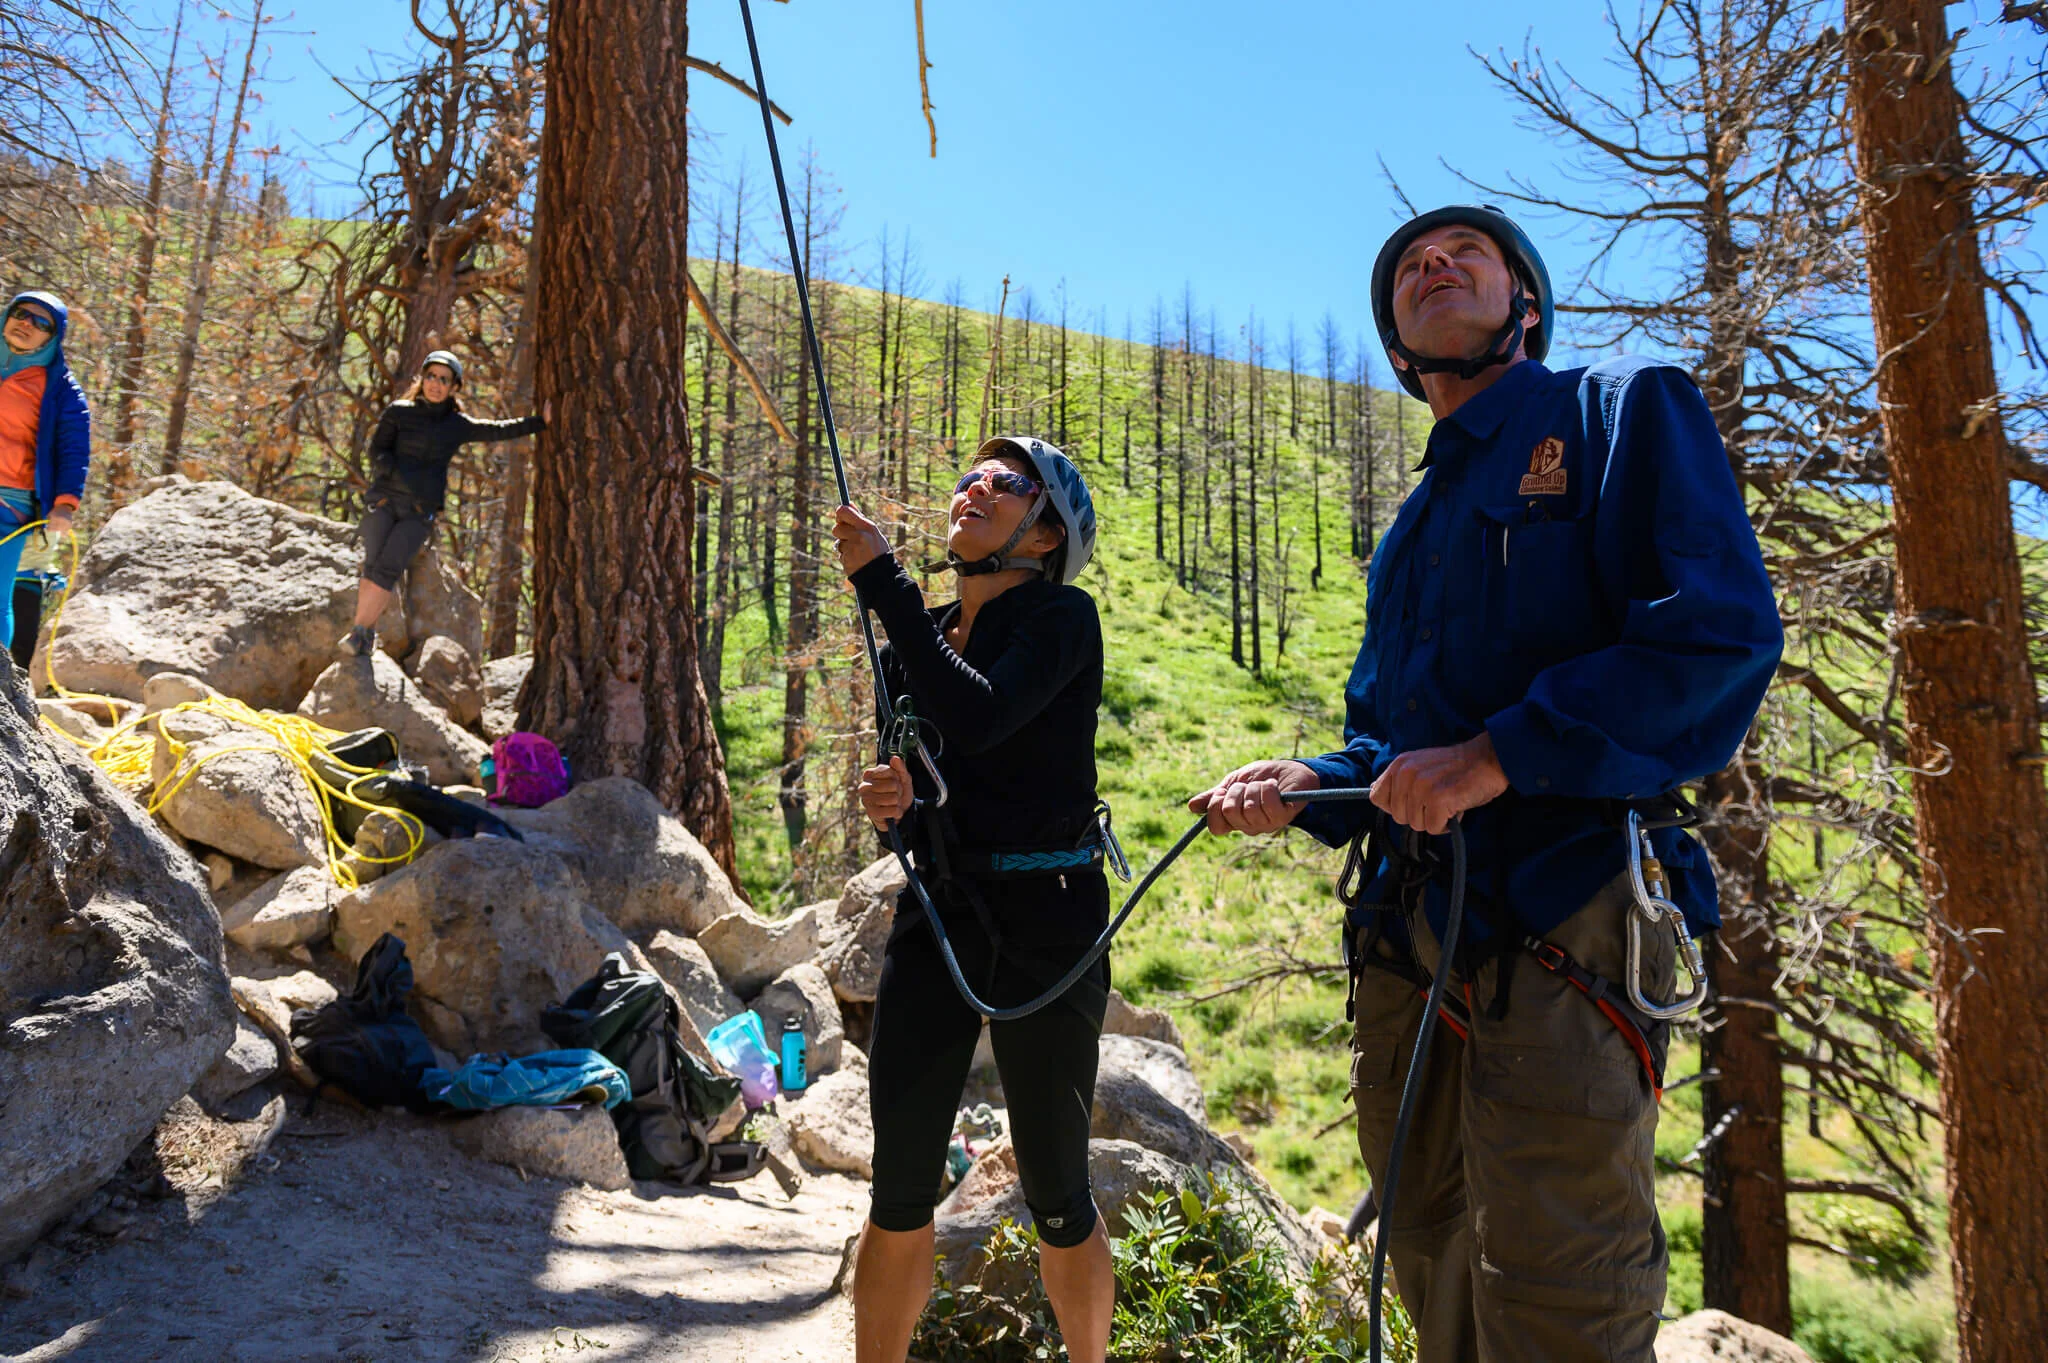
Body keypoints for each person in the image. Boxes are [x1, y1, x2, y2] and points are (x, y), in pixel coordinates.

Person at [1191, 205, 1783, 1363]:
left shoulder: (1616, 414)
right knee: (1425, 1253)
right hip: (1406, 942)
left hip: (1565, 915)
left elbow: (1714, 640)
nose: (1431, 261)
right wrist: (1311, 780)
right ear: (1402, 355)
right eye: (1410, 265)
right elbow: (1389, 744)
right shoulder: (1411, 528)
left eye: (1468, 253)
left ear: (1525, 304)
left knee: (1561, 1288)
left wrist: (1497, 757)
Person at [828, 436, 1110, 1363]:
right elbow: (920, 781)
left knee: (1057, 1187)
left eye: (1007, 483)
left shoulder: (1064, 619)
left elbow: (983, 712)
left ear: (1044, 534)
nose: (975, 488)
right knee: (899, 1179)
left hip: (1049, 915)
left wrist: (886, 589)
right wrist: (895, 806)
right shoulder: (922, 633)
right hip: (941, 909)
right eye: (967, 478)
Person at [343, 349, 546, 656]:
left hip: (418, 511)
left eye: (444, 379)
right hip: (385, 502)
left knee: (387, 568)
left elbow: (498, 430)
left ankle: (360, 633)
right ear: (422, 379)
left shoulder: (456, 425)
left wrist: (540, 422)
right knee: (371, 567)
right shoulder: (399, 412)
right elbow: (377, 450)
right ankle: (364, 632)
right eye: (431, 376)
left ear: (454, 387)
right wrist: (390, 472)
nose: (436, 384)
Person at [0, 291, 90, 661]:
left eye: (41, 323)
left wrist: (65, 504)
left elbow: (73, 450)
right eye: (22, 314)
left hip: (11, 502)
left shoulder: (62, 391)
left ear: (52, 337)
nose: (26, 324)